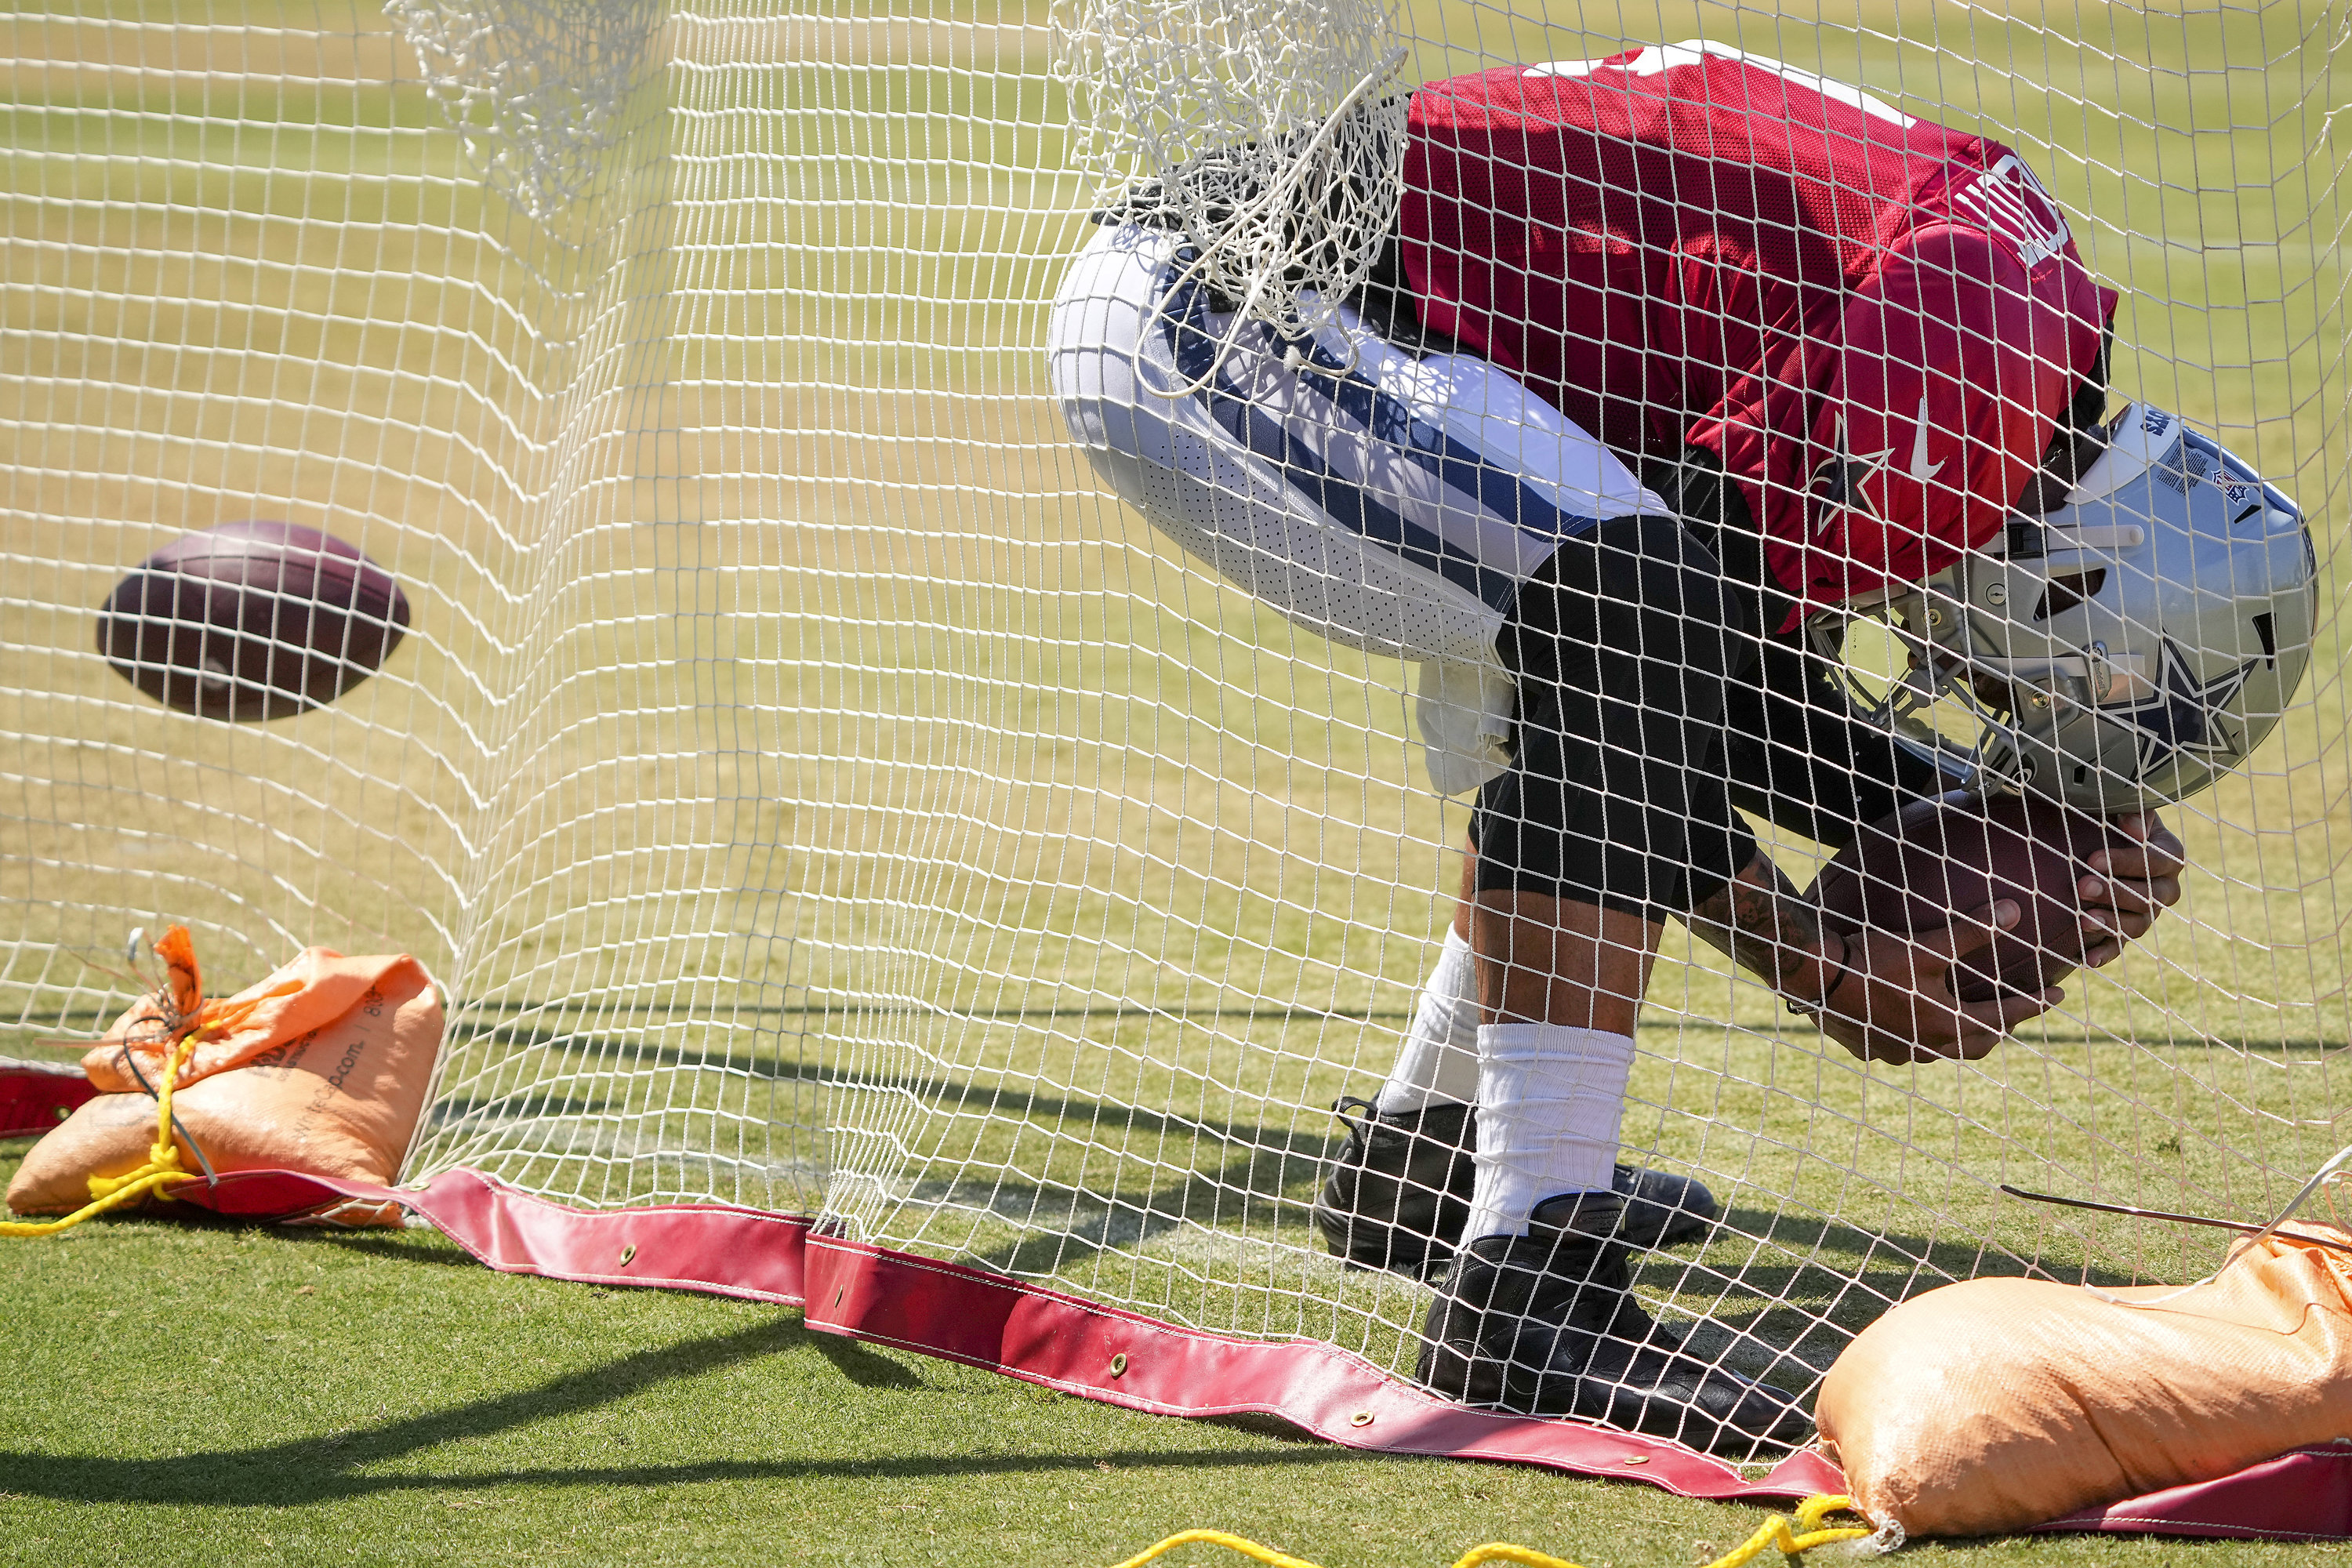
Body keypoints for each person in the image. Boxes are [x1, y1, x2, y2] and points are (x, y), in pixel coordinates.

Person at [1044, 42, 2303, 1453]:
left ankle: (1426, 1157)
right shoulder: (1961, 382)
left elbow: (1695, 686)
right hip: (1224, 310)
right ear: (2087, 590)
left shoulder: (2002, 336)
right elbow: (1673, 677)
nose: (1968, 692)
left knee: (1611, 617)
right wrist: (1819, 934)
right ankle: (1533, 1285)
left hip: (1356, 322)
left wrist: (1946, 821)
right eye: (2021, 713)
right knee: (1627, 614)